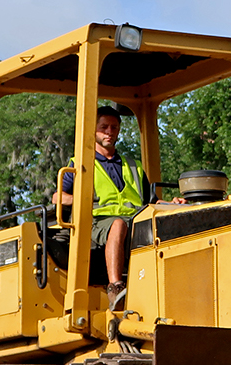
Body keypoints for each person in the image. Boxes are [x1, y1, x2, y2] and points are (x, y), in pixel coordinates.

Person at [55, 105, 181, 310]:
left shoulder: (133, 166)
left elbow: (152, 201)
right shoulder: (79, 164)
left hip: (136, 219)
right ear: (93, 130)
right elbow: (58, 197)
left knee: (168, 223)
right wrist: (81, 200)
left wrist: (173, 205)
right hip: (96, 223)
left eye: (114, 127)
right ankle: (114, 287)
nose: (109, 132)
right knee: (118, 224)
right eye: (104, 127)